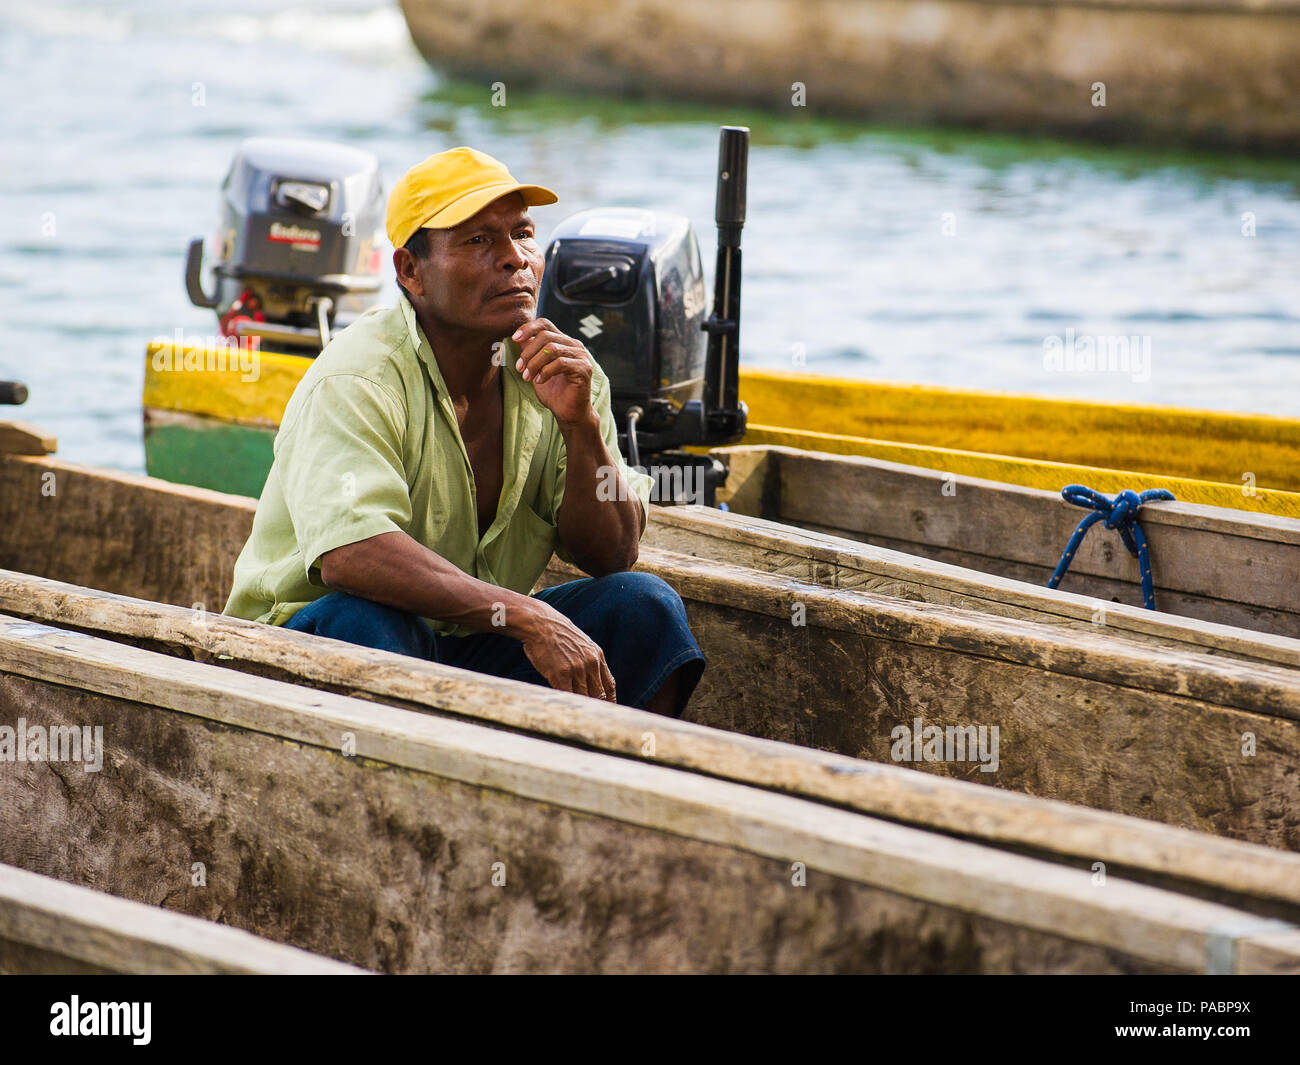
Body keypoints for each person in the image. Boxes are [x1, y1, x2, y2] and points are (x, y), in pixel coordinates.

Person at [223, 146, 705, 716]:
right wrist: (526, 616)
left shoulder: (564, 373)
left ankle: (619, 792)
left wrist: (582, 428)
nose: (514, 259)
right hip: (304, 655)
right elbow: (352, 556)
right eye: (478, 241)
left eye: (523, 234)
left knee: (642, 604)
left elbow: (612, 554)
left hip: (456, 644)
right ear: (410, 271)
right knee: (369, 618)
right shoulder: (359, 376)